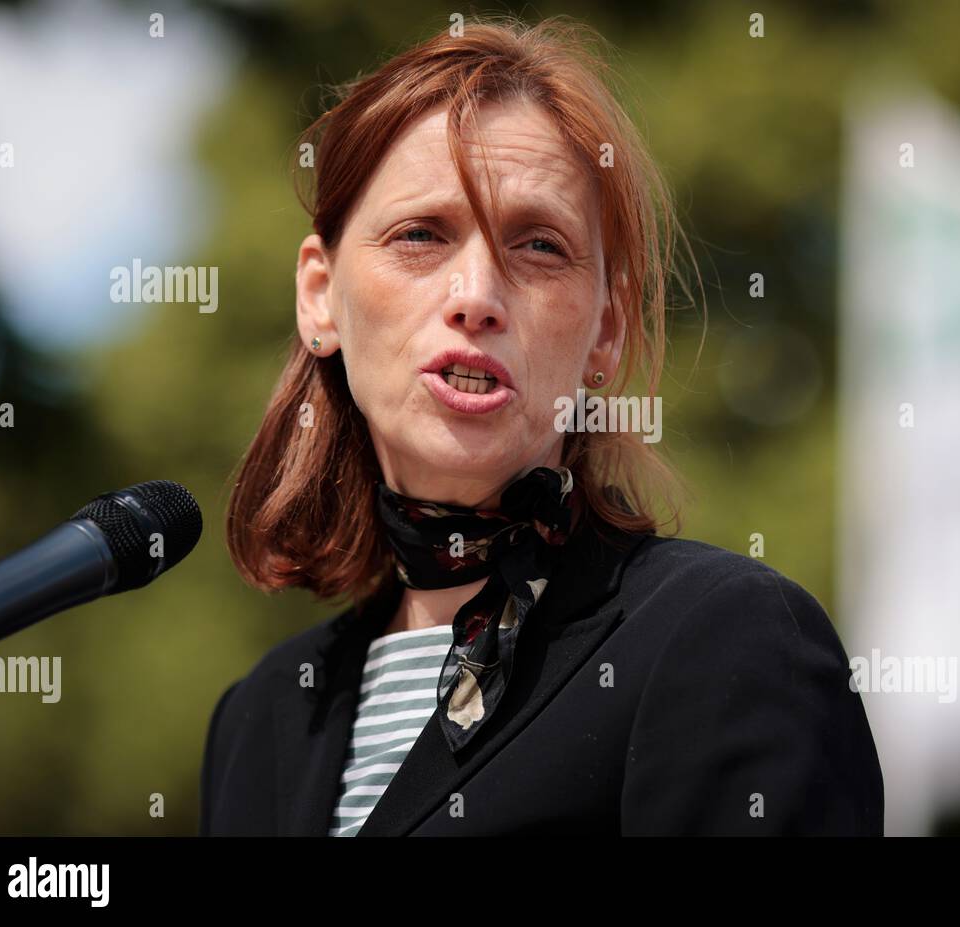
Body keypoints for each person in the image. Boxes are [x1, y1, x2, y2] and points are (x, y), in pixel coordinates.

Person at [199, 16, 883, 836]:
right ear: (320, 294)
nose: (477, 294)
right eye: (422, 234)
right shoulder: (259, 719)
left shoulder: (726, 641)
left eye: (539, 246)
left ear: (606, 329)